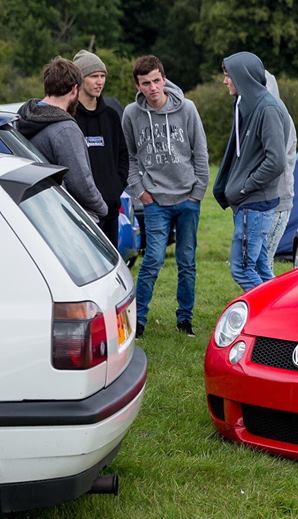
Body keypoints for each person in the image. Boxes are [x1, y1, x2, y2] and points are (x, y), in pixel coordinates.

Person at [123, 55, 209, 337]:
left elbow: (201, 152)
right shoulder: (132, 114)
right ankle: (139, 321)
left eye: (157, 81)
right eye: (146, 83)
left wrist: (197, 192)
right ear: (138, 85)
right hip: (155, 201)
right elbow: (130, 158)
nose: (153, 88)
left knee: (187, 262)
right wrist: (140, 192)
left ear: (164, 79)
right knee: (152, 260)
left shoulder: (187, 109)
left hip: (187, 198)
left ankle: (185, 320)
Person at [212, 52, 290, 291]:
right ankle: (282, 318)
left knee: (243, 269)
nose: (225, 81)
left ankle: (267, 319)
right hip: (252, 203)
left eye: (228, 76)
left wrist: (246, 186)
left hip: (255, 204)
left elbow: (276, 161)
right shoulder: (249, 105)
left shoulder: (267, 110)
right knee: (260, 268)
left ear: (243, 77)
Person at [17, 57, 108, 221]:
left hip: (30, 211)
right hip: (60, 219)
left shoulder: (22, 118)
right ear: (74, 90)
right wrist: (102, 208)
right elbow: (80, 184)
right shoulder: (66, 129)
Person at [73, 50, 129, 247]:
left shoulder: (111, 116)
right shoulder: (69, 119)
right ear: (79, 80)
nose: (100, 81)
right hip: (81, 212)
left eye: (102, 76)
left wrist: (115, 188)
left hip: (111, 210)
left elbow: (123, 156)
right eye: (93, 76)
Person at [262, 71, 297, 273]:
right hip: (262, 200)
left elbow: (275, 162)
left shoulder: (277, 117)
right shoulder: (262, 116)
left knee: (263, 264)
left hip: (277, 200)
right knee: (258, 263)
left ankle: (269, 305)